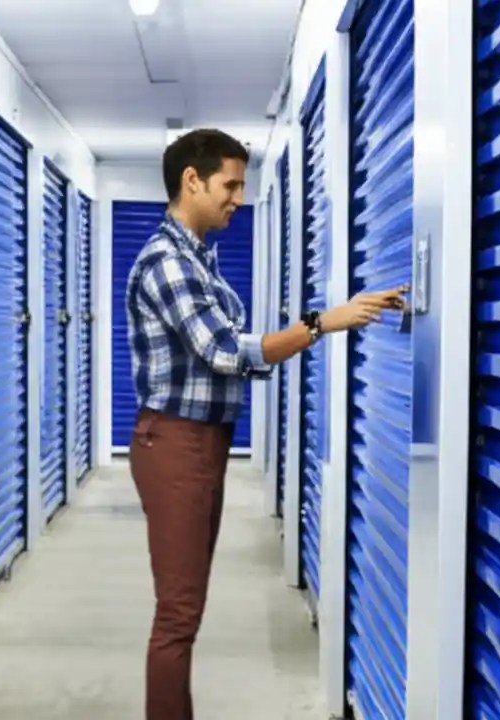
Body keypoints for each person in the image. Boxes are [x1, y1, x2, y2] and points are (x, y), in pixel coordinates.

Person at [125, 128, 406, 720]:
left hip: (202, 441)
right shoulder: (166, 262)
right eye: (229, 186)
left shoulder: (200, 257)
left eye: (242, 187)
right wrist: (322, 323)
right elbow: (224, 352)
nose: (236, 198)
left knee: (186, 608)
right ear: (191, 181)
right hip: (175, 442)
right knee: (177, 614)